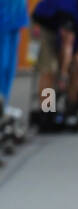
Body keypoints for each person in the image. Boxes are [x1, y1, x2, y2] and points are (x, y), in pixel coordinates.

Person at [29, 0, 78, 120]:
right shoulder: (69, 6)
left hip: (67, 30)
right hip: (43, 27)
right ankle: (47, 111)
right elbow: (67, 44)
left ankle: (72, 107)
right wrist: (63, 75)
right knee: (50, 69)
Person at [0, 0, 27, 153]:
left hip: (16, 17)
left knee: (9, 66)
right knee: (49, 72)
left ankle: (49, 111)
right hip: (49, 31)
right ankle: (47, 111)